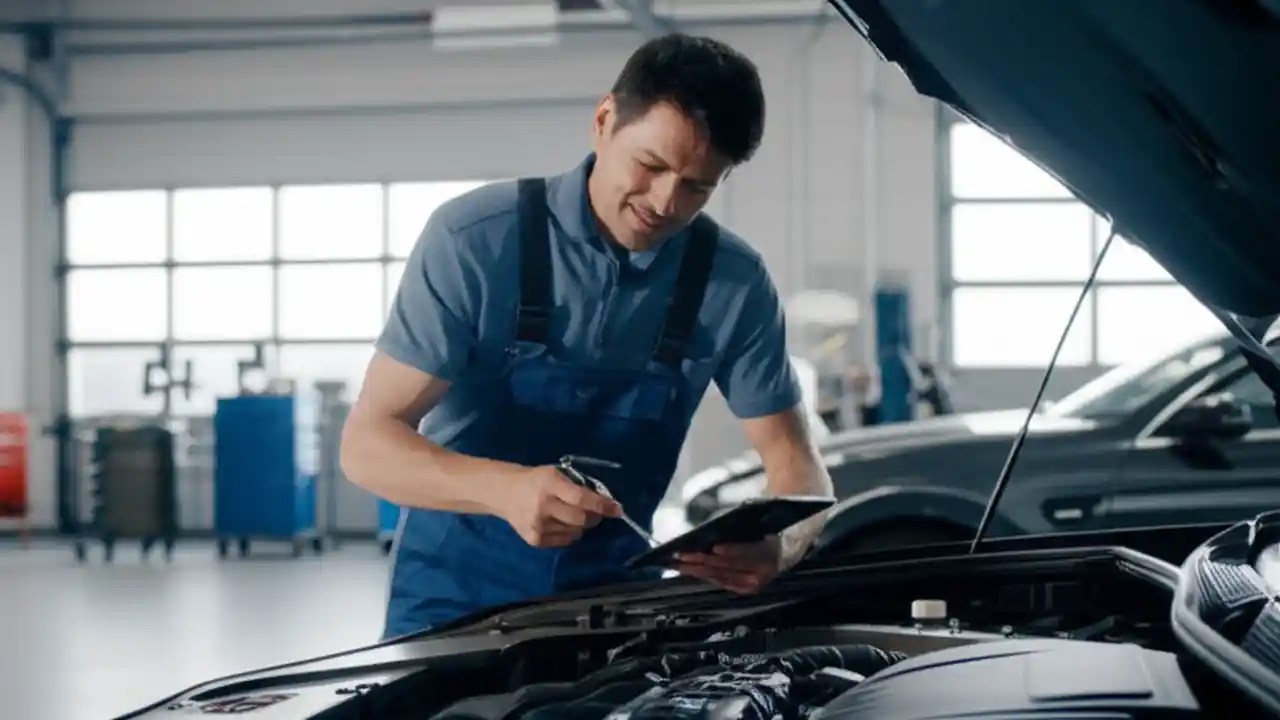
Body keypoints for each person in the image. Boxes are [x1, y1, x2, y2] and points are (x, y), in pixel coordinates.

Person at [341, 33, 835, 640]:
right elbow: (366, 445)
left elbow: (799, 468)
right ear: (603, 121)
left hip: (616, 616)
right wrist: (505, 490)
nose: (664, 202)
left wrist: (779, 547)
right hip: (449, 610)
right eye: (651, 166)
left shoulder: (733, 283)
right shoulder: (474, 241)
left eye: (697, 187)